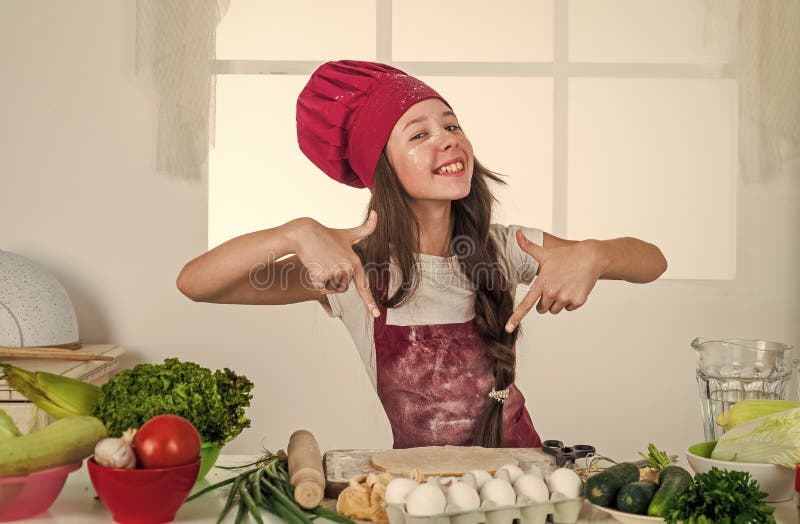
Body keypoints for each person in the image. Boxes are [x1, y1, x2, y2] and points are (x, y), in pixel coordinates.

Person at [177, 60, 667, 449]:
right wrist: (295, 233)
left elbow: (653, 263)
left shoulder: (507, 247)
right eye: (419, 133)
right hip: (417, 489)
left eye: (452, 125)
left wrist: (596, 255)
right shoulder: (352, 270)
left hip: (522, 477)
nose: (448, 138)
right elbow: (196, 283)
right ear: (382, 168)